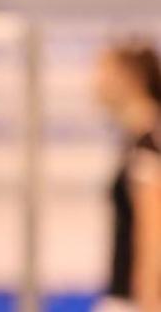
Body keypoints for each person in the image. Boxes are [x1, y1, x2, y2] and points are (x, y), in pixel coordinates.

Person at [93, 38, 161, 312]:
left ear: (130, 78)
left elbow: (153, 230)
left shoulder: (148, 144)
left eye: (104, 72)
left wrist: (147, 301)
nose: (95, 82)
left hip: (133, 301)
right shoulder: (136, 140)